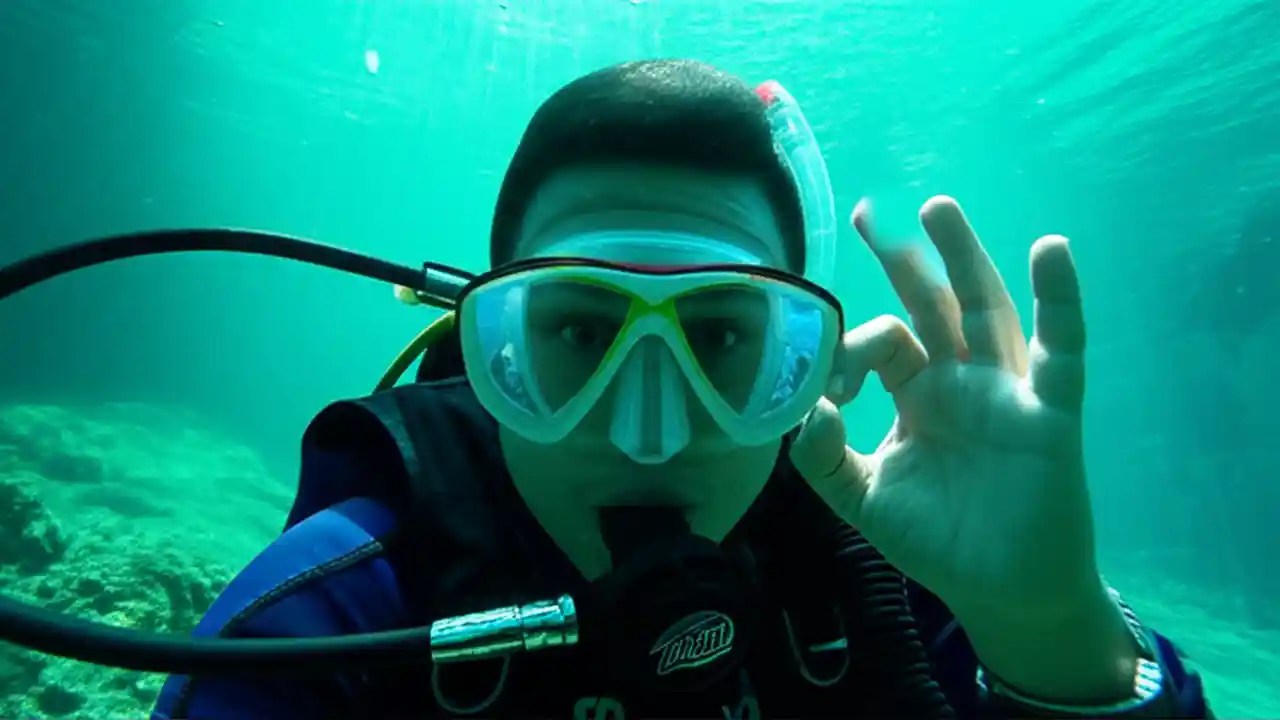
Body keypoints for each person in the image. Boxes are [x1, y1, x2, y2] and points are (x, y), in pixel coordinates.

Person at [152, 60, 1211, 719]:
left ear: (796, 368)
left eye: (717, 336)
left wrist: (1045, 624)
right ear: (492, 352)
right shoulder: (326, 622)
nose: (650, 436)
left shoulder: (892, 570)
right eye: (577, 329)